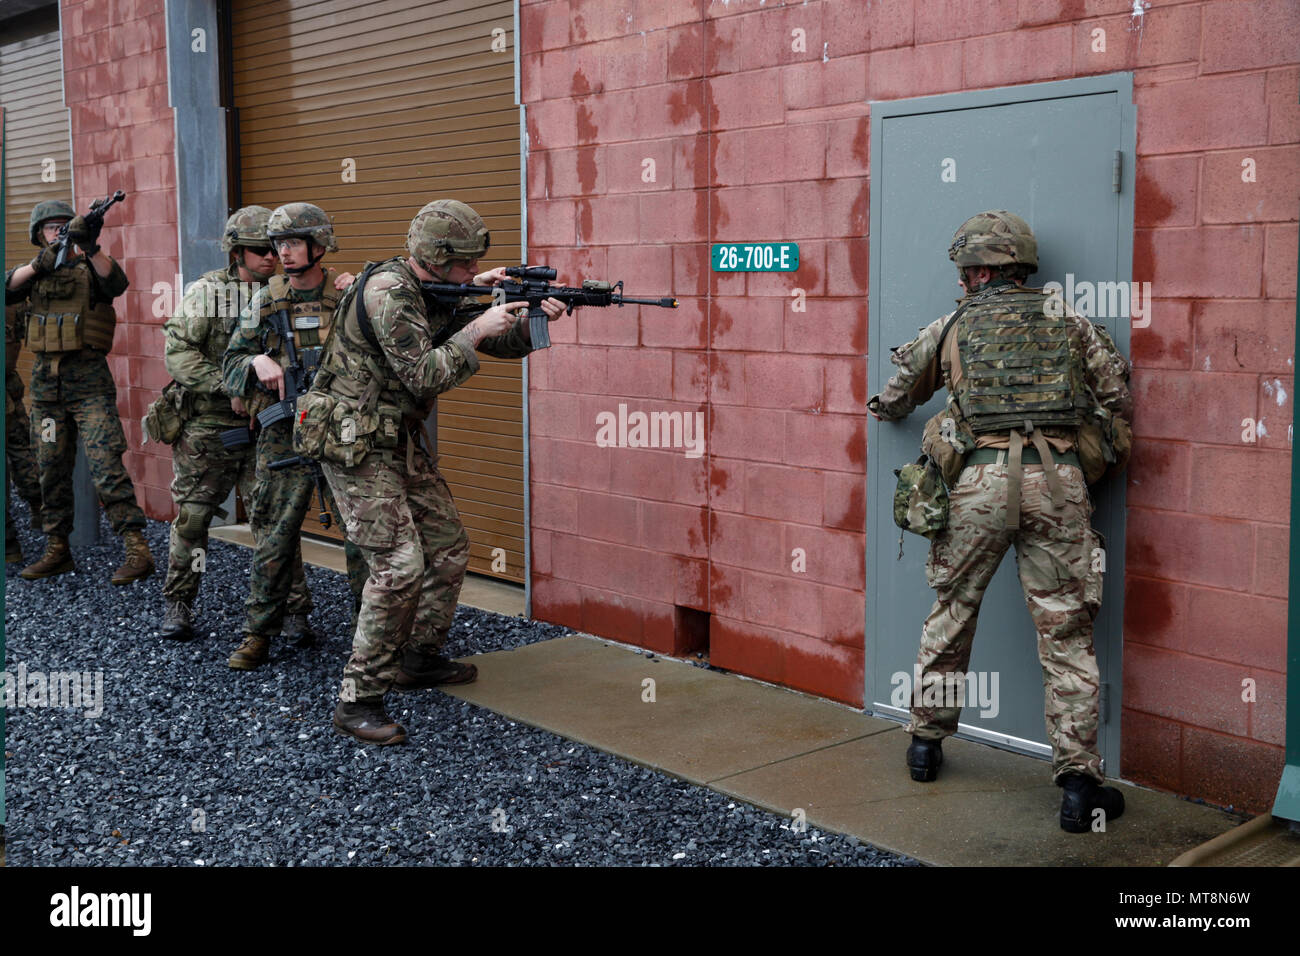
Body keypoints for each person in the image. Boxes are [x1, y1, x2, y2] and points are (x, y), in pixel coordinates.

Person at [866, 210, 1134, 833]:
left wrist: (886, 407)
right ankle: (1078, 788)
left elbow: (898, 393)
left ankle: (925, 746)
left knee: (953, 610)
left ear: (984, 269)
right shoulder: (1071, 321)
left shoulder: (955, 324)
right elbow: (1117, 398)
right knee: (1066, 635)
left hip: (979, 484)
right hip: (1060, 484)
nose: (961, 283)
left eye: (966, 272)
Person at [304, 199, 565, 745]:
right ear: (437, 257)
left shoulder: (435, 288)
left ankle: (417, 659)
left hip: (394, 438)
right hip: (353, 442)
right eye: (467, 265)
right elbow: (425, 372)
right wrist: (477, 327)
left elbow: (500, 343)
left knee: (446, 545)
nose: (474, 273)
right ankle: (358, 700)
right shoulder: (389, 294)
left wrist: (531, 313)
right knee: (399, 566)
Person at [157, 206, 315, 642]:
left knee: (276, 521)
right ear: (236, 252)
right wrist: (228, 386)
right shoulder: (209, 293)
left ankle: (294, 610)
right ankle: (179, 602)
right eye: (259, 250)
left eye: (275, 248)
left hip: (268, 425)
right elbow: (179, 351)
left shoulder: (286, 290)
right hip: (210, 424)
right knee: (194, 517)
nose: (270, 257)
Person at [221, 202, 367, 670]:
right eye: (277, 243)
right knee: (274, 534)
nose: (282, 252)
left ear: (319, 246)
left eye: (292, 242)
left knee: (361, 536)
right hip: (285, 432)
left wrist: (361, 292)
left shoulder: (349, 295)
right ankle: (258, 632)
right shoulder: (264, 299)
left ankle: (370, 638)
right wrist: (254, 362)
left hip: (342, 431)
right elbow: (229, 364)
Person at [5, 199, 155, 584]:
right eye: (51, 227)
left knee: (107, 466)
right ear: (39, 234)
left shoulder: (91, 267)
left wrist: (90, 247)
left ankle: (137, 549)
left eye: (63, 225)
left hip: (90, 390)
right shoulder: (33, 274)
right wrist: (40, 263)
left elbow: (117, 284)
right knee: (51, 469)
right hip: (47, 393)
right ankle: (58, 550)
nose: (58, 231)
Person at [5, 301, 44, 564]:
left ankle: (9, 546)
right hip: (11, 396)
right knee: (25, 458)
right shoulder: (12, 297)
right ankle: (42, 514)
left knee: (25, 459)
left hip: (9, 397)